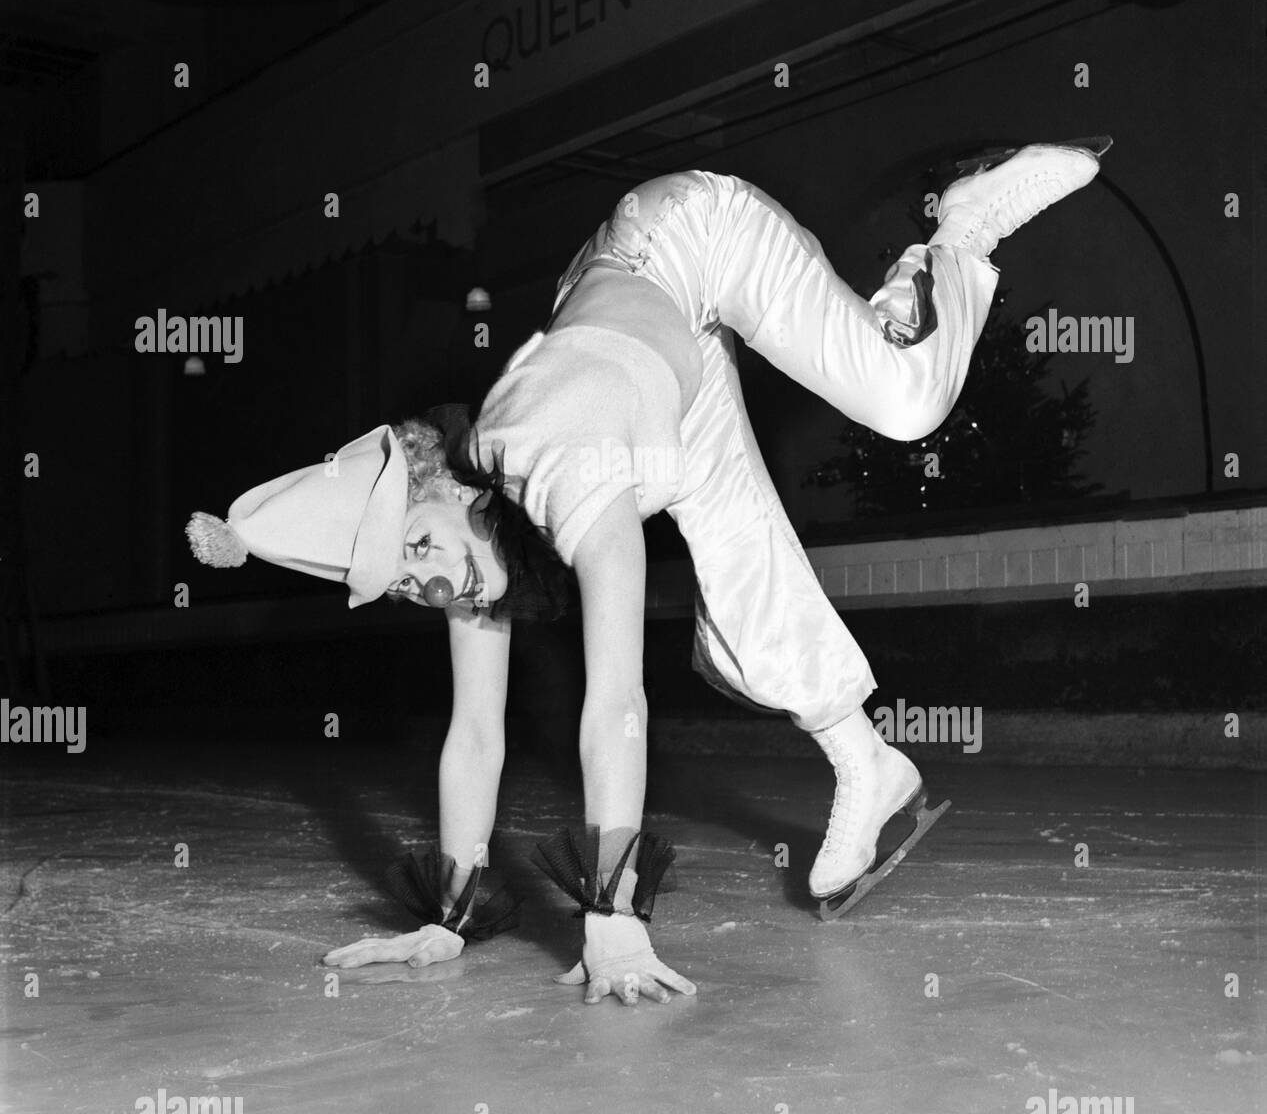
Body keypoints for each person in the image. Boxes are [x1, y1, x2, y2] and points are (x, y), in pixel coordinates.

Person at [187, 138, 1111, 1007]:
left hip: (690, 239)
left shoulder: (561, 462)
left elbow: (616, 702)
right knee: (734, 564)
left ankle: (959, 227)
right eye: (401, 583)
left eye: (415, 551)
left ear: (444, 486)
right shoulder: (475, 532)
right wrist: (448, 915)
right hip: (650, 340)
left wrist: (612, 916)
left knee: (904, 403)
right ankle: (864, 762)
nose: (425, 585)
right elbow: (474, 733)